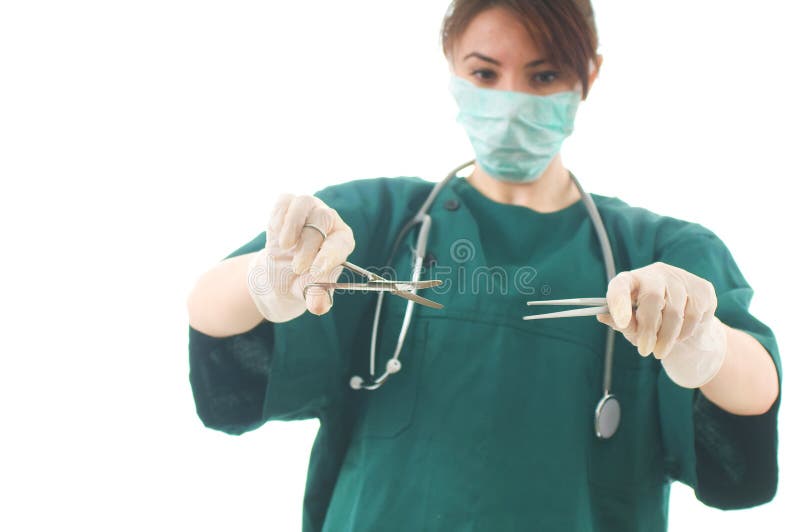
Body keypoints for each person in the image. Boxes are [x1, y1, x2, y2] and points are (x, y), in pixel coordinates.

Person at [185, 1, 781, 530]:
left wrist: (704, 341)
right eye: (485, 74)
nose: (511, 102)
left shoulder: (660, 253)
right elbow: (212, 318)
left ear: (589, 74)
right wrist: (266, 277)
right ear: (452, 67)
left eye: (543, 75)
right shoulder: (372, 223)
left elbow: (751, 408)